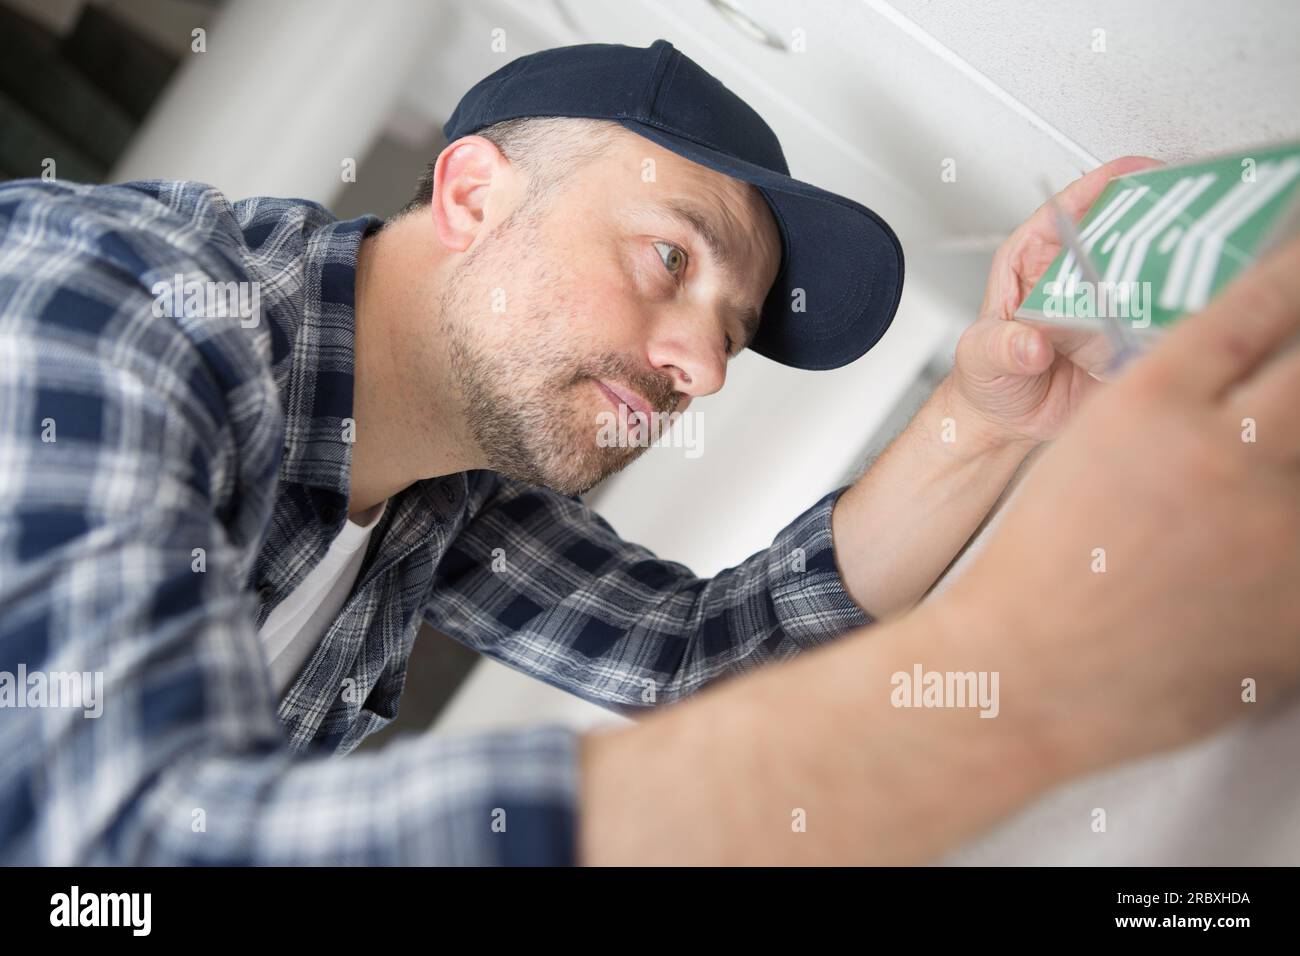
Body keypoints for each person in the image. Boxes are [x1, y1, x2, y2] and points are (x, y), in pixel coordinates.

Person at [0, 39, 1296, 865]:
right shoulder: (114, 304)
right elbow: (116, 840)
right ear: (469, 196)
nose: (706, 364)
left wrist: (985, 418)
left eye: (731, 326)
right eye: (671, 260)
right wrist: (1049, 675)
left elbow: (694, 658)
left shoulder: (436, 488)